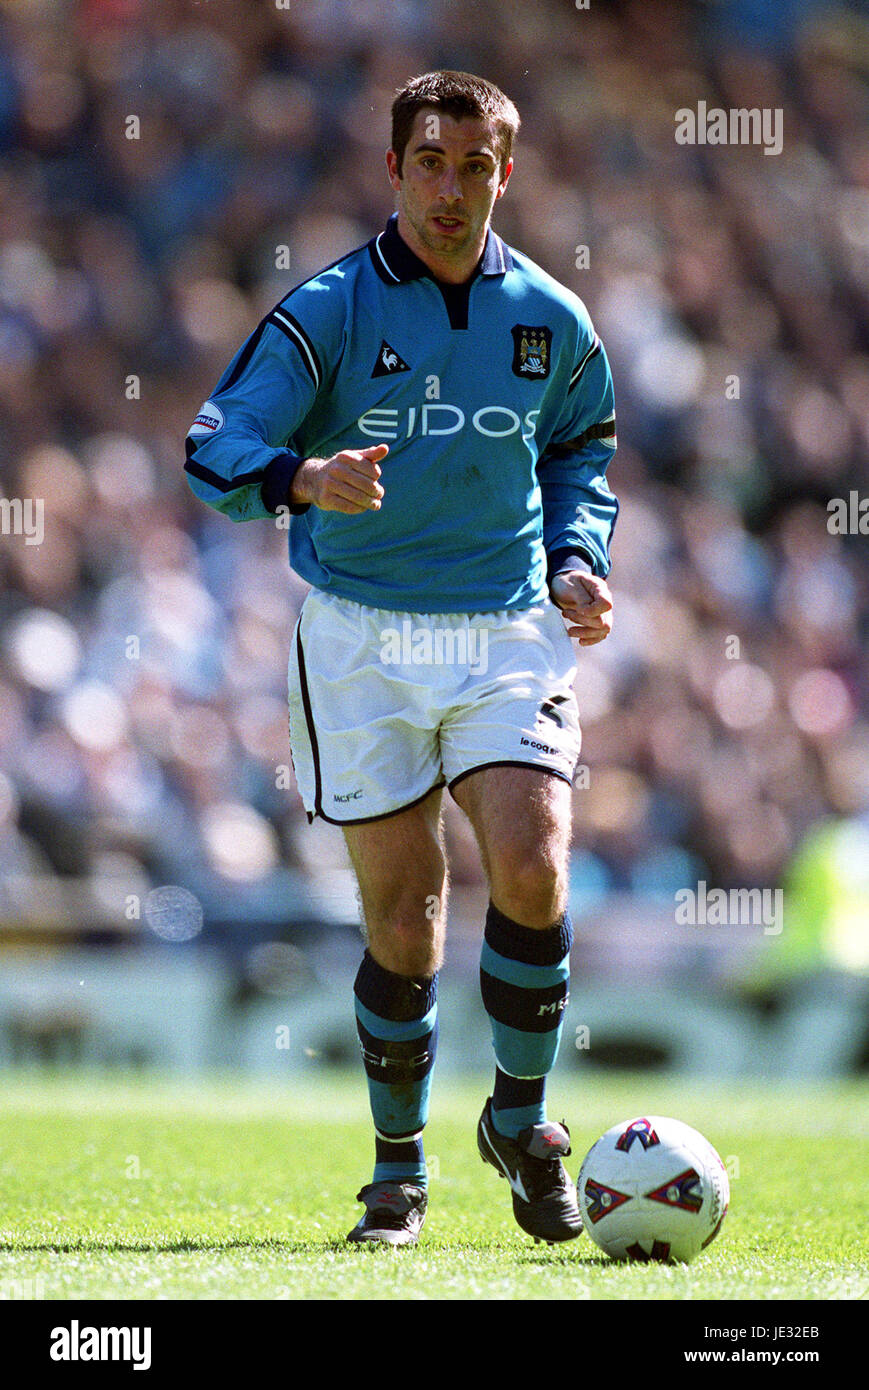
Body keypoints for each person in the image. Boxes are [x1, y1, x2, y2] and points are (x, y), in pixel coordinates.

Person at [185, 70, 618, 1247]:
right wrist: (304, 478)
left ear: (504, 176)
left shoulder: (549, 316)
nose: (449, 188)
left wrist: (577, 555)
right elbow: (212, 448)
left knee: (531, 866)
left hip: (501, 627)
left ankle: (522, 1124)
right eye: (429, 162)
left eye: (474, 166)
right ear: (392, 170)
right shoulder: (327, 310)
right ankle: (397, 1170)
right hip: (361, 636)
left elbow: (582, 446)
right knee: (405, 914)